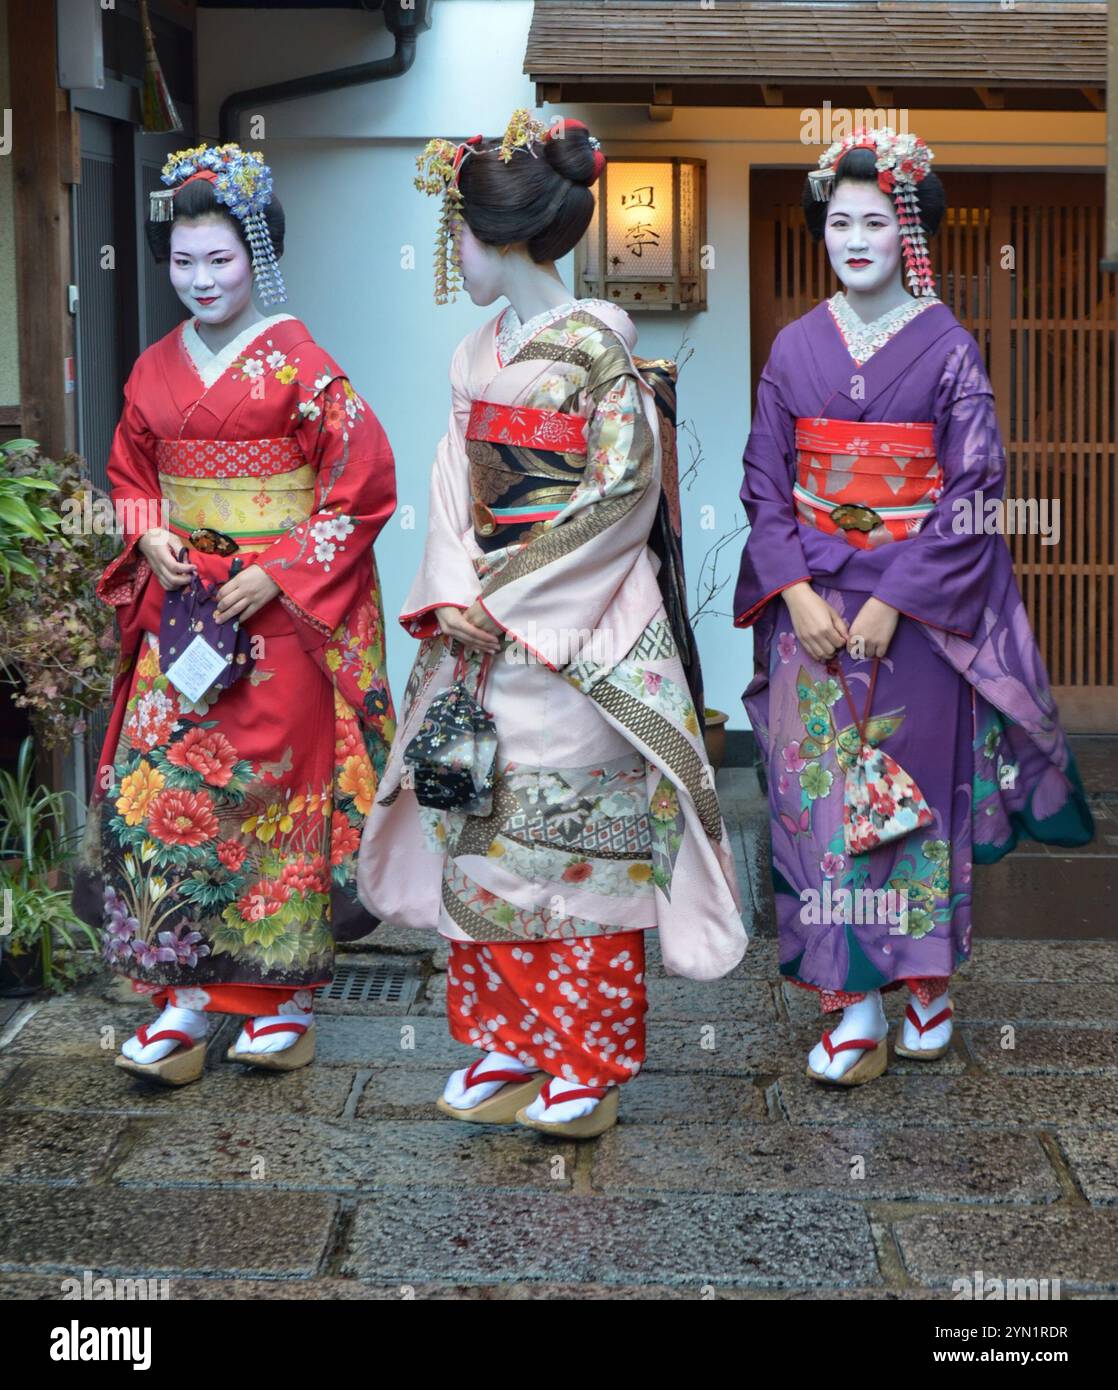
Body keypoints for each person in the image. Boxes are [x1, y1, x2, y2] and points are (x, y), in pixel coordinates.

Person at [357, 109, 746, 1137]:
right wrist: (452, 593)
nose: (456, 257)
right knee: (480, 838)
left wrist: (501, 597)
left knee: (576, 845)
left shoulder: (596, 351)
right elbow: (452, 484)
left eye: (460, 239)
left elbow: (620, 493)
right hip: (482, 630)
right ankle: (505, 1042)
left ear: (499, 237)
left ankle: (586, 1057)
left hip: (577, 636)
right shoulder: (471, 356)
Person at [734, 127, 1094, 1086]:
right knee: (816, 802)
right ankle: (852, 1004)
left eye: (877, 222)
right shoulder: (794, 347)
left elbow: (976, 487)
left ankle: (923, 978)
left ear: (912, 236)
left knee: (908, 804)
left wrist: (895, 596)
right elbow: (763, 485)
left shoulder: (948, 347)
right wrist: (798, 591)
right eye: (839, 221)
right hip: (809, 604)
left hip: (916, 617)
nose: (855, 238)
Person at [72, 143, 397, 1084]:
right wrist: (147, 537)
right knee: (158, 793)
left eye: (220, 259)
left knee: (272, 804)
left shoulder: (305, 366)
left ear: (259, 255)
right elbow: (131, 474)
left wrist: (284, 570)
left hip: (274, 621)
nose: (200, 279)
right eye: (183, 259)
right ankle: (175, 999)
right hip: (184, 618)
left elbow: (358, 490)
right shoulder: (154, 368)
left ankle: (279, 999)